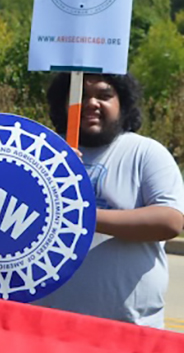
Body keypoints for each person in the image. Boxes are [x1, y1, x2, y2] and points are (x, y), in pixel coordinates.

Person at [36, 72, 184, 327]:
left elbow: (169, 220)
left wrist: (82, 216)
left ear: (123, 103)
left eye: (104, 96)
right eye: (80, 96)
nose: (91, 103)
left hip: (127, 334)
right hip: (48, 329)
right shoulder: (41, 152)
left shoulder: (146, 153)